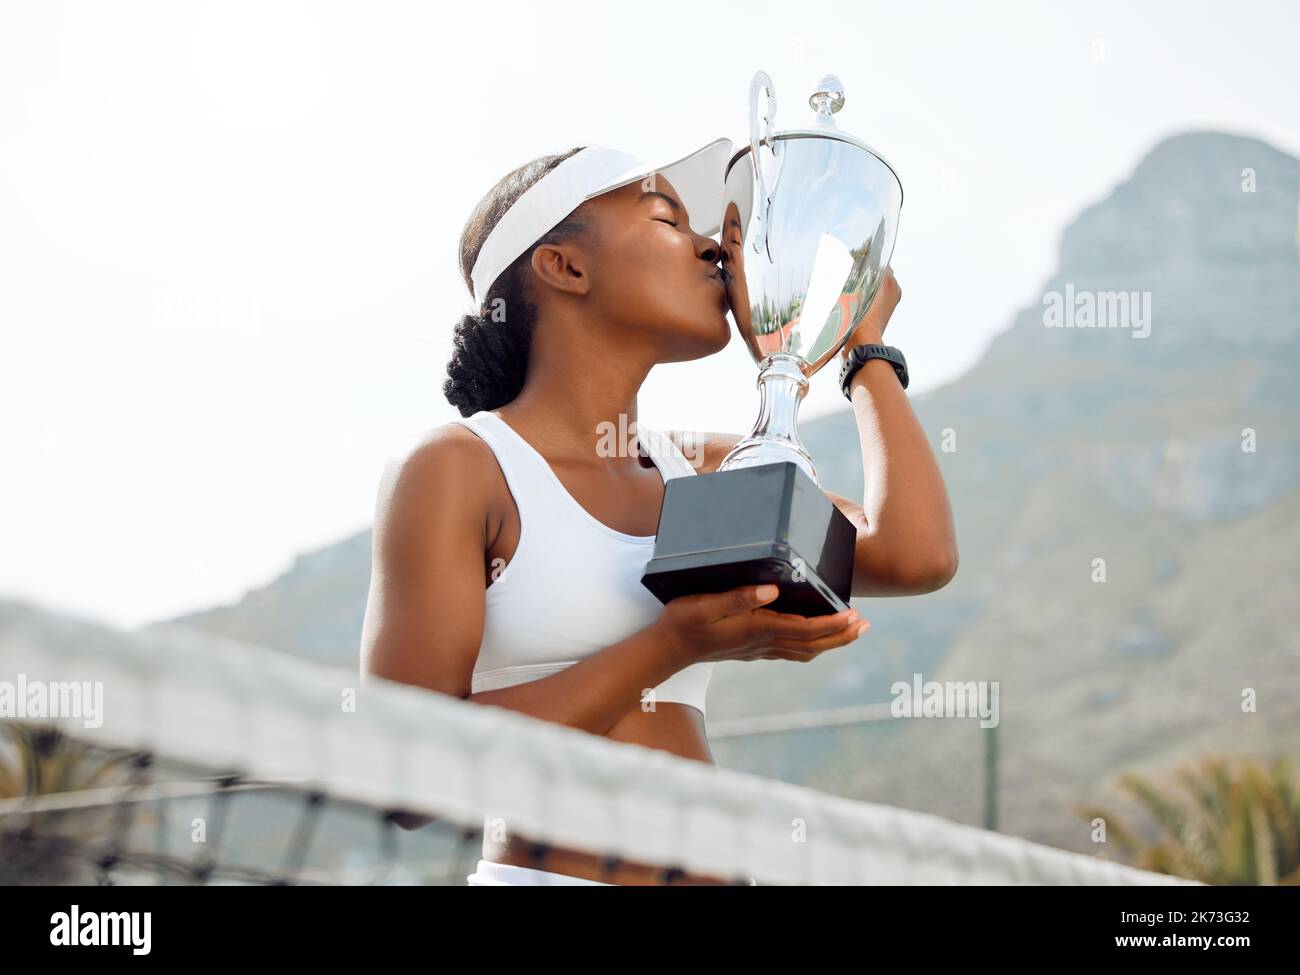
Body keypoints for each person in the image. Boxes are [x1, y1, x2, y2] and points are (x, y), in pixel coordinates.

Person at [360, 139, 958, 885]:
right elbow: (404, 771)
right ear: (565, 266)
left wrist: (860, 347)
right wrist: (673, 642)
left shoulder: (696, 468)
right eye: (667, 218)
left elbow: (914, 553)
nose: (714, 248)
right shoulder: (459, 467)